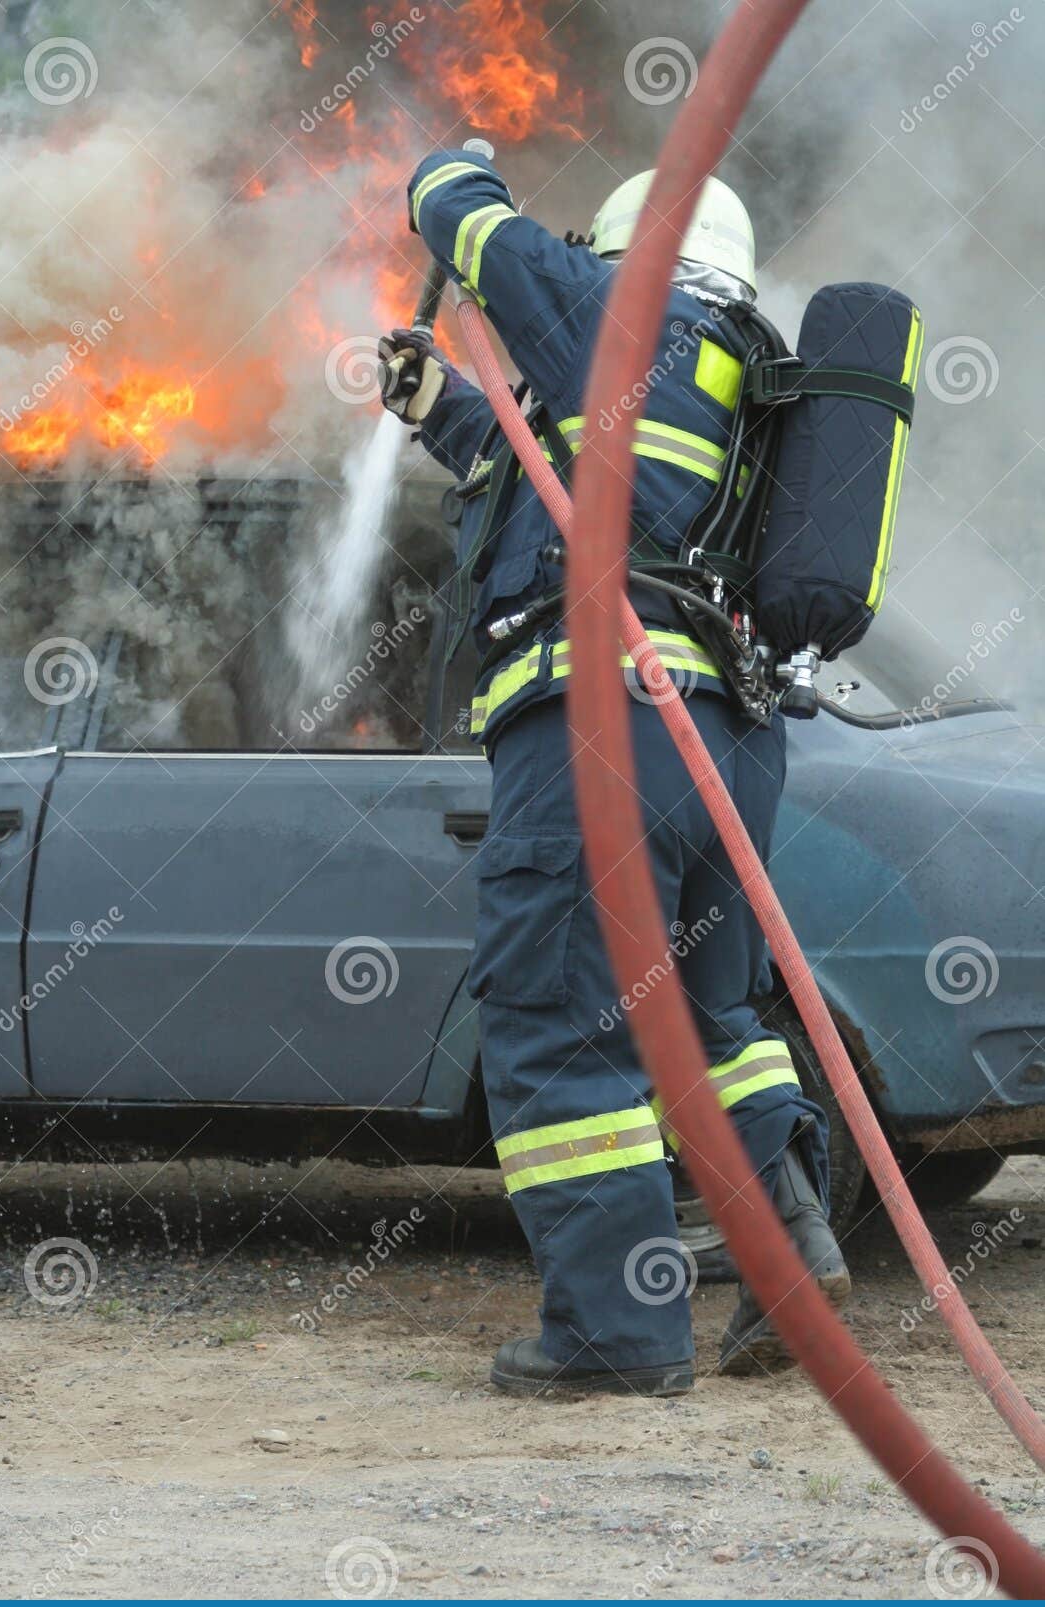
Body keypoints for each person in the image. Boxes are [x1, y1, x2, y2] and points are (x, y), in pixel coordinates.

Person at [377, 149, 850, 1395]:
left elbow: (463, 226)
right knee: (705, 1019)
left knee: (554, 1012)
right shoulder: (740, 373)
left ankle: (612, 1332)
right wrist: (437, 407)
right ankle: (791, 1269)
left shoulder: (616, 315)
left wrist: (448, 168)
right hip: (725, 747)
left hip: (599, 726)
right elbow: (557, 483)